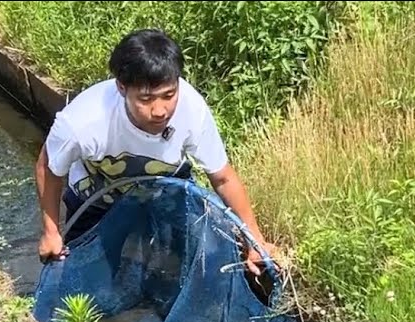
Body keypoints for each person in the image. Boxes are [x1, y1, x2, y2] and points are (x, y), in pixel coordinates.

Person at [34, 28, 276, 275]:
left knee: (182, 266)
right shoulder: (84, 122)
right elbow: (48, 167)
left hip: (165, 191)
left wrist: (255, 241)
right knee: (86, 274)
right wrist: (51, 232)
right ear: (121, 88)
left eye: (168, 95)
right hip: (96, 200)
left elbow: (223, 177)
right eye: (146, 99)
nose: (160, 110)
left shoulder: (192, 110)